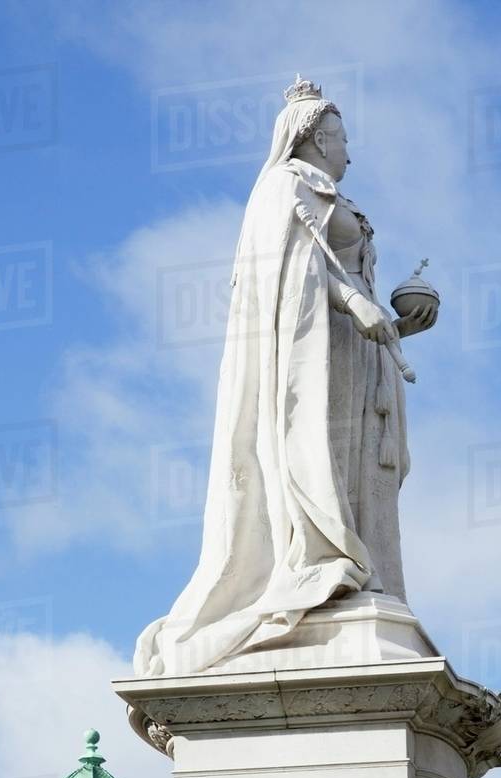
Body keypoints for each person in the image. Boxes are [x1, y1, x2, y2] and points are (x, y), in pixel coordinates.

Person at [135, 76, 437, 677]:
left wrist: (400, 319)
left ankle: (355, 574)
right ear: (316, 138)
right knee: (311, 458)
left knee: (356, 480)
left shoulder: (325, 194)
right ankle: (317, 562)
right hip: (307, 365)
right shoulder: (283, 188)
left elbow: (346, 284)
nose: (350, 151)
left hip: (352, 362)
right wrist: (354, 303)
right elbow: (285, 274)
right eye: (342, 138)